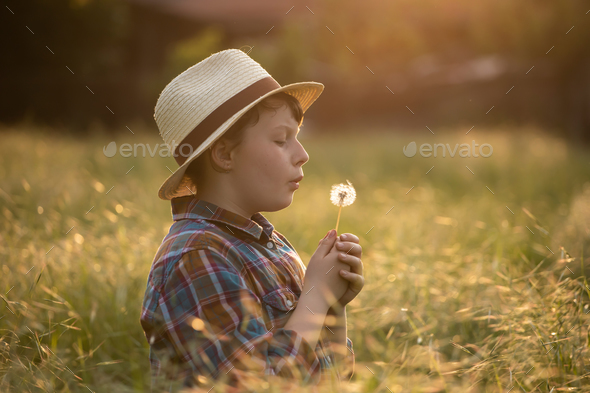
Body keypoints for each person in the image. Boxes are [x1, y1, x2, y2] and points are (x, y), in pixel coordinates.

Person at [140, 49, 365, 392]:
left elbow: (330, 381)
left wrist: (333, 308)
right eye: (280, 139)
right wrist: (316, 296)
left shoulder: (266, 243)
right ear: (225, 154)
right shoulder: (196, 257)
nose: (302, 154)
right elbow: (257, 384)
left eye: (298, 137)